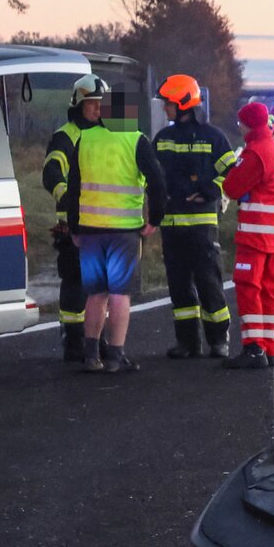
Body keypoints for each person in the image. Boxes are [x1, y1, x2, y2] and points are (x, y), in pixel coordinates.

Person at [42, 76, 167, 373]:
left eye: (102, 104)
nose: (98, 109)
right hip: (119, 230)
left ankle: (90, 353)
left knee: (95, 293)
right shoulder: (127, 138)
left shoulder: (87, 139)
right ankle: (108, 353)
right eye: (92, 104)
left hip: (87, 229)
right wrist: (155, 219)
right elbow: (54, 174)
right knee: (111, 293)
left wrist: (76, 222)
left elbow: (76, 184)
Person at [151, 73, 238, 359]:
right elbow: (153, 176)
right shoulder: (162, 138)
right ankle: (188, 342)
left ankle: (219, 339)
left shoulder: (214, 137)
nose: (165, 108)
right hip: (171, 225)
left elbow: (232, 174)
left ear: (183, 103)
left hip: (201, 226)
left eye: (168, 103)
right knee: (179, 287)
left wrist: (211, 190)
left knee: (208, 283)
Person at [219, 100, 274, 369]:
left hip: (253, 235)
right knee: (268, 290)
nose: (239, 127)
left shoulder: (255, 152)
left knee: (248, 287)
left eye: (241, 123)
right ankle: (268, 348)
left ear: (249, 124)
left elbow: (232, 187)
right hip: (271, 235)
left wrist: (233, 172)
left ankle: (253, 348)